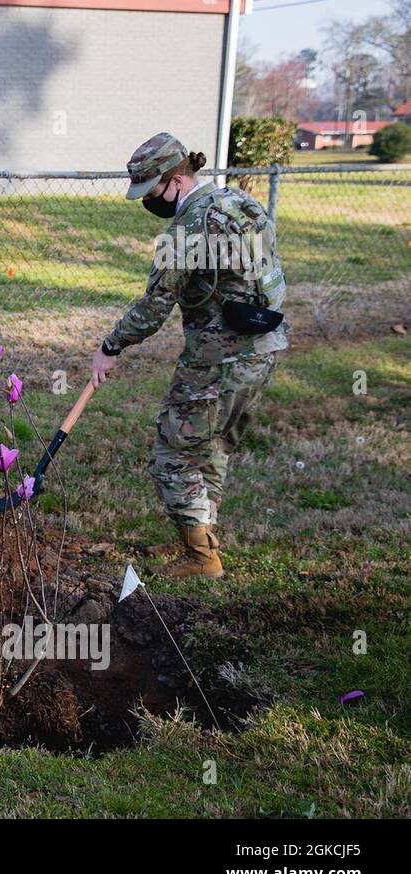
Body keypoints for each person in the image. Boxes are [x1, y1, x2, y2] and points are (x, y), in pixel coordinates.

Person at [90, 133, 288, 580]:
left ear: (176, 179)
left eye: (152, 191)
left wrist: (110, 346)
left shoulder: (187, 229)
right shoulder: (240, 203)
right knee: (213, 446)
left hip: (219, 358)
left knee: (173, 454)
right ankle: (204, 533)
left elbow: (155, 305)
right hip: (265, 348)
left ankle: (201, 557)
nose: (149, 203)